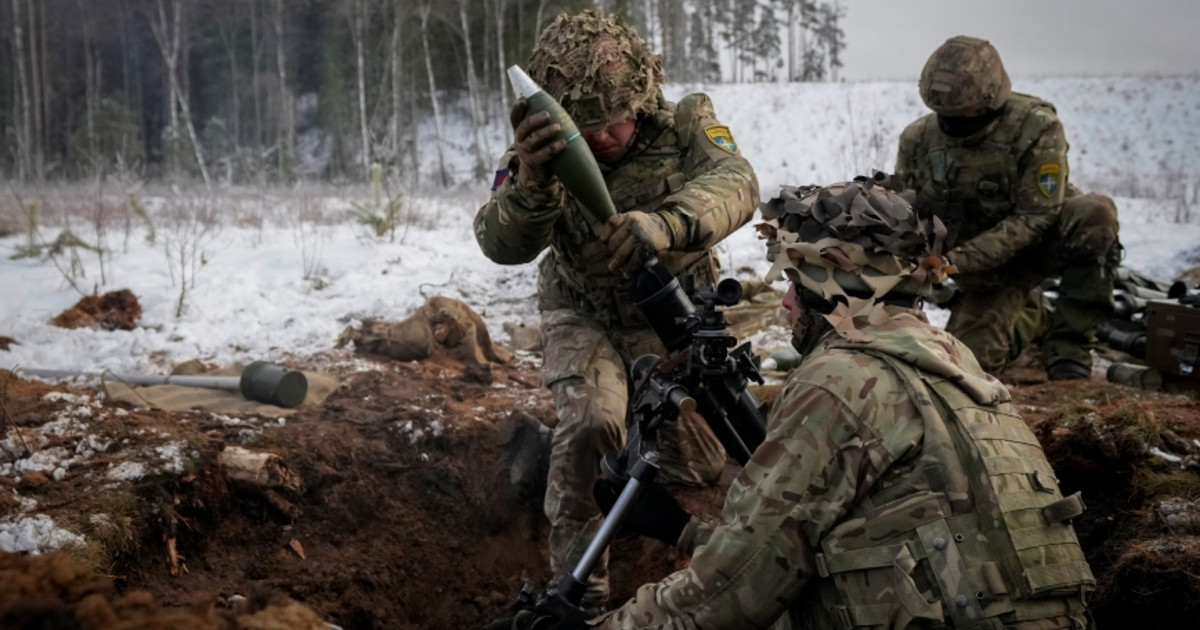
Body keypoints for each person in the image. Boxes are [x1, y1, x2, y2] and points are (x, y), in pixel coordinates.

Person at [551, 181, 1093, 629]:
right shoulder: (959, 364)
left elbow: (727, 599)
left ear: (833, 287)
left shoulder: (839, 383)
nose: (786, 301)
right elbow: (887, 536)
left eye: (794, 281)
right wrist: (684, 531)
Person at [473, 10, 760, 609]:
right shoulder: (537, 156)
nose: (602, 137)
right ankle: (582, 598)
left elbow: (737, 183)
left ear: (642, 96)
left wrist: (666, 224)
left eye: (614, 120)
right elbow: (500, 244)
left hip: (671, 319)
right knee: (590, 424)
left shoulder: (686, 124)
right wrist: (533, 182)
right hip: (584, 314)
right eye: (588, 126)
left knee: (700, 466)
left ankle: (608, 455)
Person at [895, 35, 1122, 380]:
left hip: (1039, 245)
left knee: (1095, 214)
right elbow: (909, 214)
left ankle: (1069, 344)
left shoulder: (1036, 127)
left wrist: (953, 263)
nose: (953, 126)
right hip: (987, 272)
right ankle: (1031, 318)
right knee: (966, 365)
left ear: (991, 101)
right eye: (945, 117)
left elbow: (1036, 216)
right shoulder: (918, 139)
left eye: (964, 117)